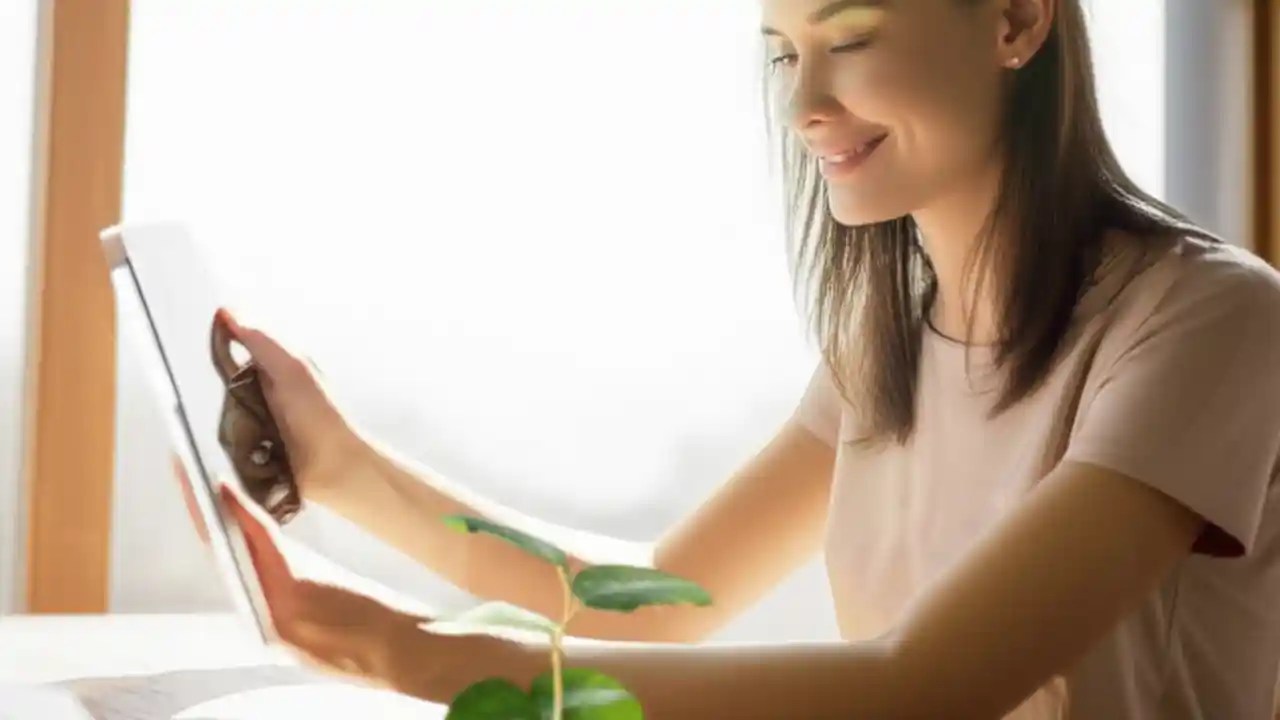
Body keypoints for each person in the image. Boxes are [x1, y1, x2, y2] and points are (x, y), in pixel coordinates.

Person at [207, 0, 1280, 717]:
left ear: (1011, 18)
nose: (804, 102)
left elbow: (932, 687)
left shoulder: (1209, 320)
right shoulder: (888, 343)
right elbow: (659, 606)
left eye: (848, 35)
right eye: (783, 52)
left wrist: (418, 658)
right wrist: (340, 469)